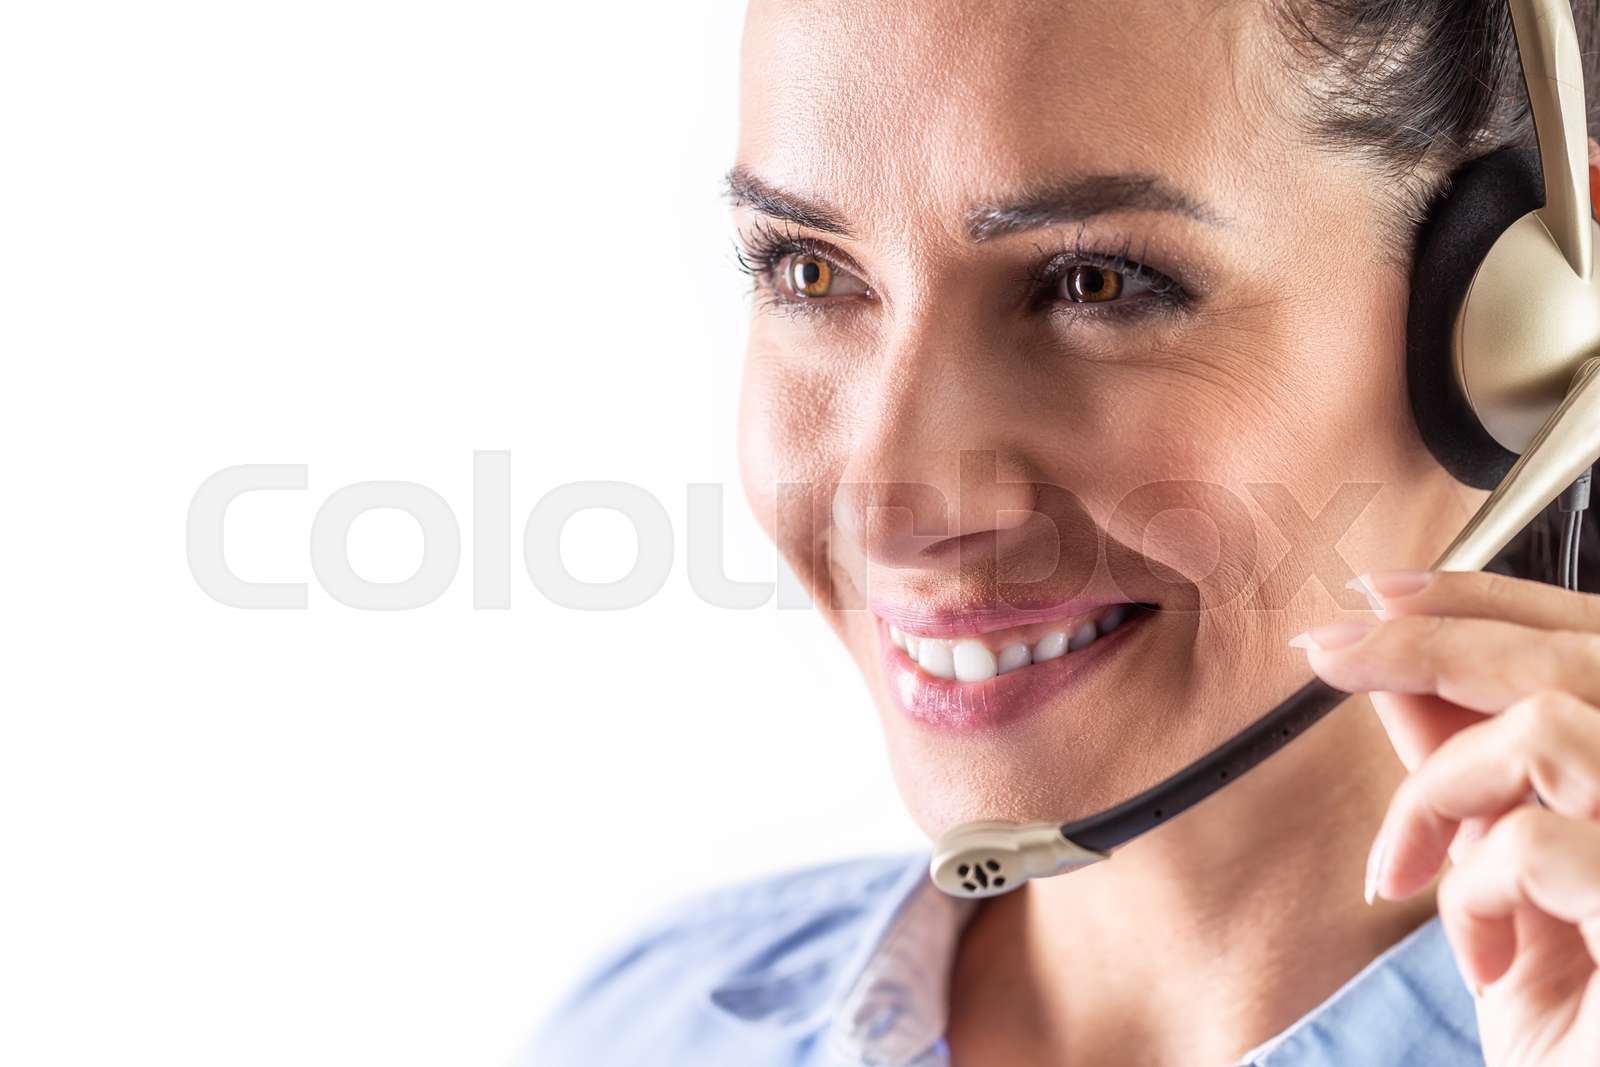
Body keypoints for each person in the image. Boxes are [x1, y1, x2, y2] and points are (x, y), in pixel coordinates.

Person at [532, 1, 1600, 1063]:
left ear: (1550, 312)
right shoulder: (650, 1021)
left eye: (1095, 283)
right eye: (805, 269)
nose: (889, 513)